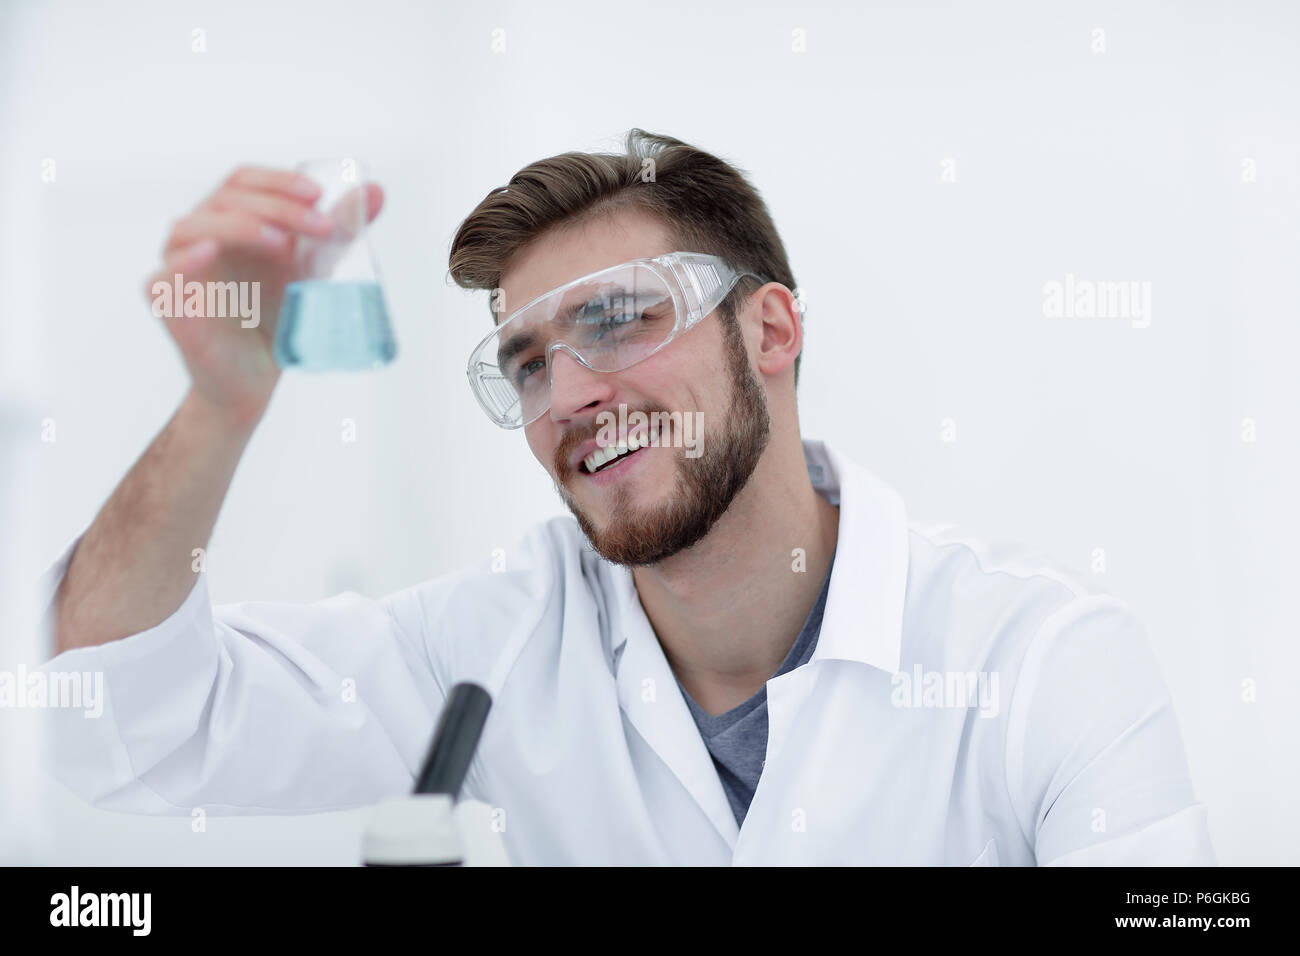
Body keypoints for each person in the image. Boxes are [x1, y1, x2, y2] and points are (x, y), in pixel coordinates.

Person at [39, 129, 1215, 866]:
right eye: (527, 362)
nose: (568, 392)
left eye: (617, 317)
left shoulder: (1044, 660)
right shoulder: (492, 645)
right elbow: (122, 724)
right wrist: (220, 406)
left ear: (771, 328)